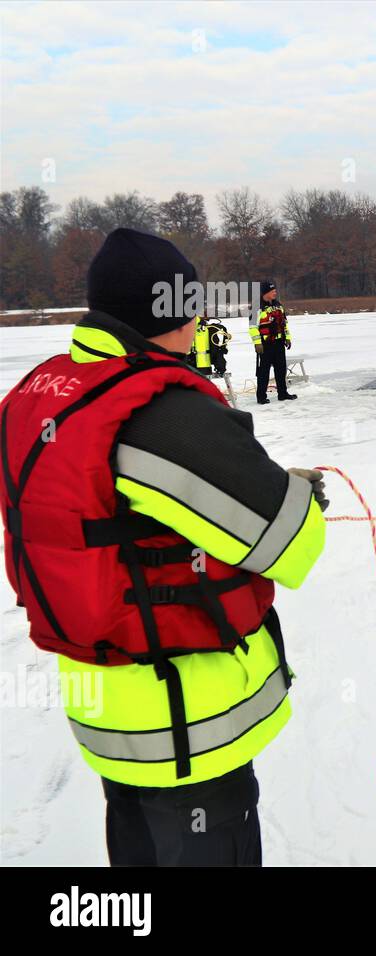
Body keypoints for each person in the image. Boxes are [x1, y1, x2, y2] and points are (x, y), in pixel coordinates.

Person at [0, 228, 329, 866]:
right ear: (174, 314)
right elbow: (290, 546)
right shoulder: (159, 414)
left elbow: (113, 512)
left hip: (109, 717)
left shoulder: (37, 396)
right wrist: (299, 499)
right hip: (187, 731)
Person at [249, 280, 295, 404]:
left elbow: (284, 323)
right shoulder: (256, 307)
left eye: (275, 290)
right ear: (265, 292)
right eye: (272, 290)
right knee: (263, 372)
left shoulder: (278, 305)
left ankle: (283, 393)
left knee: (281, 369)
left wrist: (288, 337)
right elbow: (252, 327)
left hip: (279, 343)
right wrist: (257, 343)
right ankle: (261, 397)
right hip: (265, 345)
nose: (275, 292)